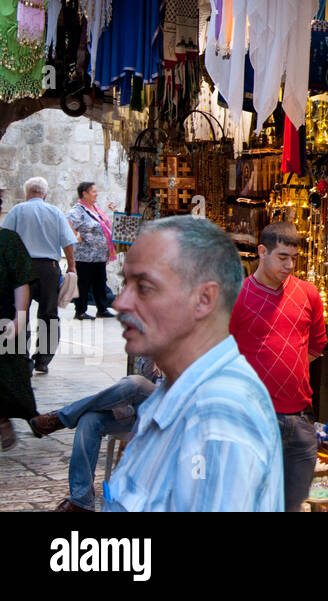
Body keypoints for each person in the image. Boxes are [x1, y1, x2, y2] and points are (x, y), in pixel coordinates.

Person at [104, 215, 282, 511]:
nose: (120, 302)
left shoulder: (219, 416)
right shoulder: (178, 396)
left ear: (203, 300)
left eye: (144, 287)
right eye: (125, 284)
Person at [229, 221, 325, 512]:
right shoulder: (238, 296)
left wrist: (287, 368)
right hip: (254, 418)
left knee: (293, 505)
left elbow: (316, 347)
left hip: (299, 419)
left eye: (294, 258)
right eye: (282, 257)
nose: (290, 265)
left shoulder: (308, 294)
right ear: (262, 251)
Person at [28, 359, 162, 511]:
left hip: (171, 410)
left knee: (135, 383)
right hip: (141, 414)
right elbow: (133, 398)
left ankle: (61, 418)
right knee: (89, 420)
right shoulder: (151, 348)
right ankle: (81, 501)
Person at [0, 177, 76, 373]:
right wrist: (72, 267)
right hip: (48, 269)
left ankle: (22, 359)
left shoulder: (17, 210)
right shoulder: (55, 212)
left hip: (20, 267)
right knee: (49, 314)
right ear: (45, 194)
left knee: (19, 313)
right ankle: (43, 360)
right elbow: (67, 241)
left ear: (27, 193)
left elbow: (5, 238)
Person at [0, 198, 38, 451]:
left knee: (8, 372)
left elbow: (20, 280)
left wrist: (20, 316)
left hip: (3, 320)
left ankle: (4, 419)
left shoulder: (8, 241)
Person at [66, 181, 117, 320]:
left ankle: (102, 309)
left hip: (99, 256)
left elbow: (103, 225)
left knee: (100, 282)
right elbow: (68, 224)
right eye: (94, 192)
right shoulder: (77, 210)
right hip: (85, 256)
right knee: (83, 283)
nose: (97, 194)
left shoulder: (94, 209)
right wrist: (76, 236)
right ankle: (80, 311)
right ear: (85, 194)